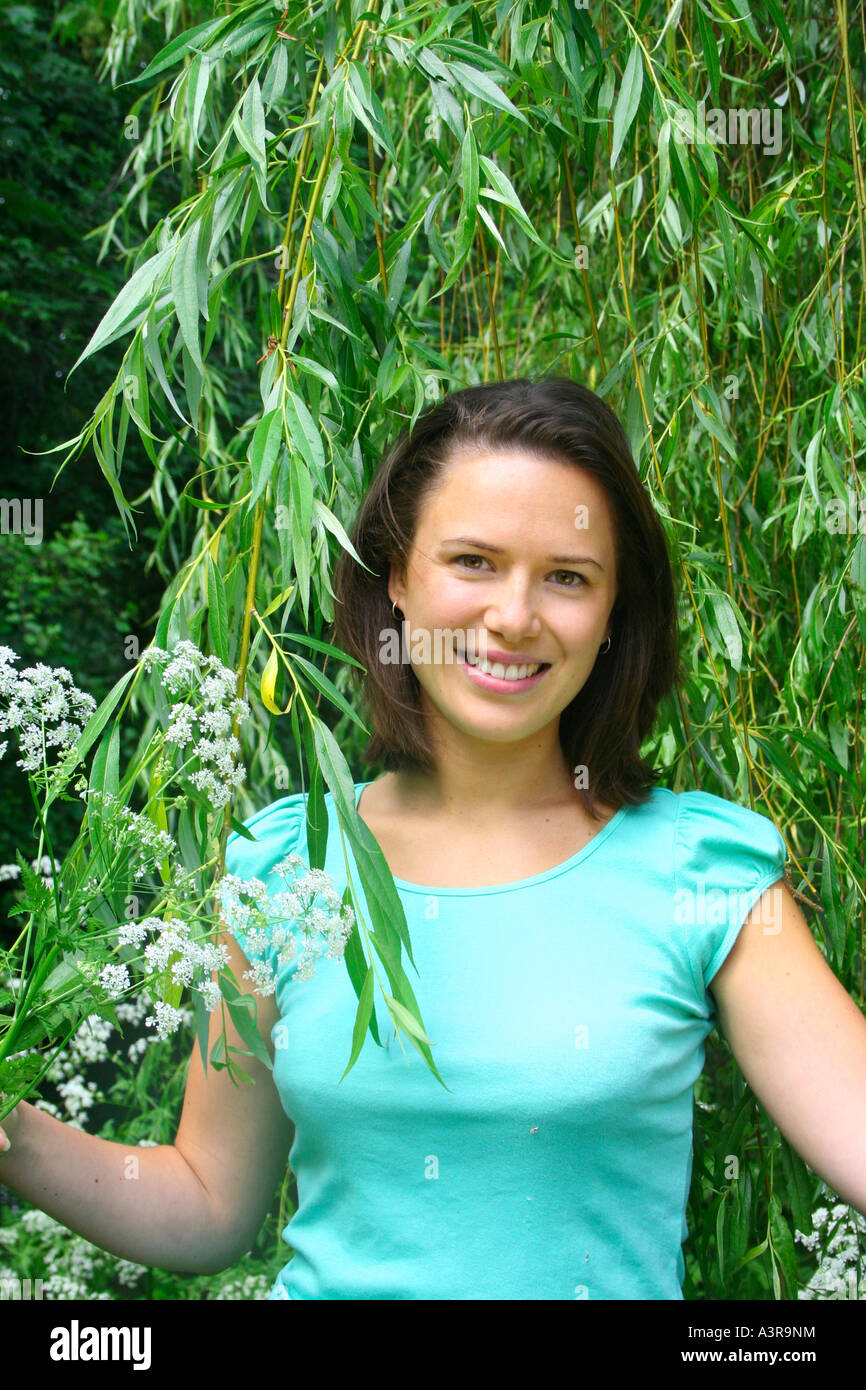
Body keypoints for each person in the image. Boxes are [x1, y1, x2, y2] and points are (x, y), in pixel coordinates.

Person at [2, 375, 865, 1300]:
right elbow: (209, 1201)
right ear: (398, 580)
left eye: (567, 577)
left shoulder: (702, 872)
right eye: (474, 562)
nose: (513, 617)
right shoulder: (286, 866)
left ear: (616, 614)